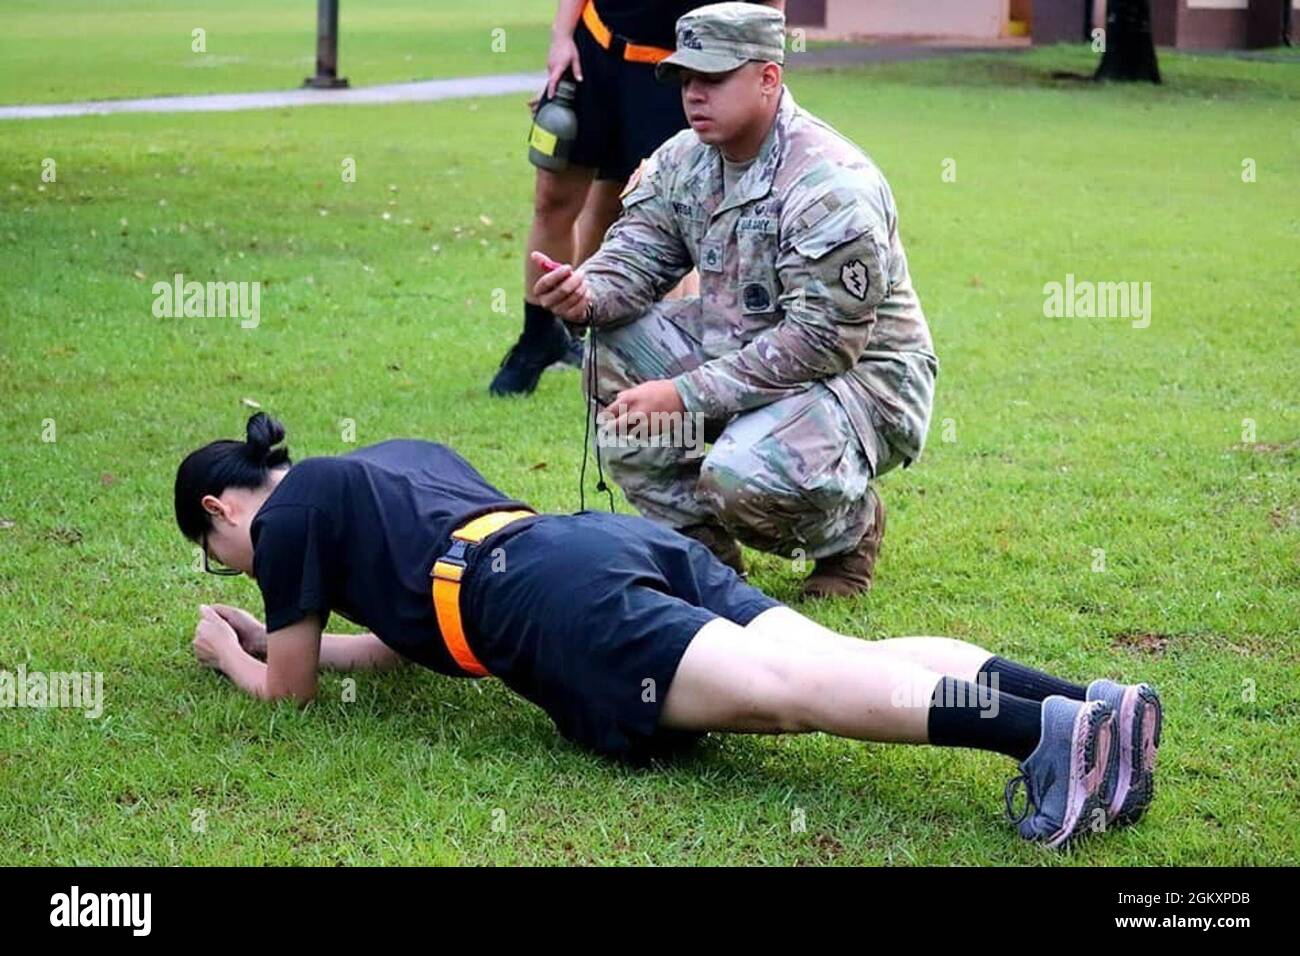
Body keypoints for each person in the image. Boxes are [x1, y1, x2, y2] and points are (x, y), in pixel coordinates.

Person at [176, 413, 1162, 848]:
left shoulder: (293, 512)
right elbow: (405, 642)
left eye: (226, 559)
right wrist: (276, 640)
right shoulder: (383, 466)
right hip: (586, 546)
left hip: (552, 604)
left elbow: (291, 696)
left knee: (791, 693)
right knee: (835, 657)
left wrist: (232, 652)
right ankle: (1085, 709)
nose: (248, 576)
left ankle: (1041, 738)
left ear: (224, 508)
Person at [532, 2, 937, 598]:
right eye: (686, 79)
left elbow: (822, 342)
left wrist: (685, 395)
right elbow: (638, 259)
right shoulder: (682, 161)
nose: (694, 95)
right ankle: (703, 559)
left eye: (714, 78)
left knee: (739, 477)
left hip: (865, 382)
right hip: (743, 345)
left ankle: (850, 534)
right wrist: (586, 293)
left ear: (769, 77)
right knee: (612, 351)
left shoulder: (829, 184)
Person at [489, 0, 785, 397]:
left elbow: (768, 10)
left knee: (653, 212)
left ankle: (663, 361)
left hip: (674, 70)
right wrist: (561, 37)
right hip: (594, 47)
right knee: (553, 198)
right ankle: (539, 337)